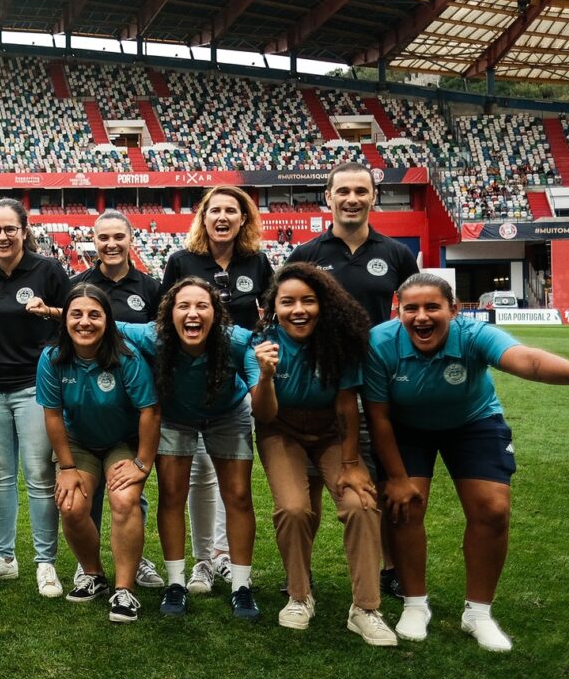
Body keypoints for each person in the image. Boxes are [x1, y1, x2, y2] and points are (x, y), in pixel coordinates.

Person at [363, 273, 569, 651]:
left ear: (454, 310)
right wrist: (396, 477)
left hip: (473, 422)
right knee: (405, 506)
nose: (421, 316)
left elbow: (526, 360)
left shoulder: (473, 334)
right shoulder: (380, 342)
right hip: (406, 427)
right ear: (399, 311)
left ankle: (477, 613)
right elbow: (378, 416)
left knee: (493, 510)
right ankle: (415, 604)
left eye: (433, 307)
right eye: (411, 308)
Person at [288, 161, 420, 600]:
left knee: (374, 481)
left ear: (373, 198)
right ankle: (300, 583)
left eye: (360, 191)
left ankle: (387, 569)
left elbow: (416, 308)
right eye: (342, 190)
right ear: (328, 197)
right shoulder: (306, 254)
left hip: (378, 387)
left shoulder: (397, 254)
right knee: (307, 489)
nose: (351, 199)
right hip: (319, 387)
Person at [249, 263, 396, 645]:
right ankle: (299, 596)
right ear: (273, 308)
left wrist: (351, 465)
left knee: (361, 504)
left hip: (331, 431)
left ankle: (365, 608)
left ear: (323, 304)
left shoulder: (338, 341)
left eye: (308, 301)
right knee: (294, 508)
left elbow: (348, 406)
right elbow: (263, 414)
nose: (299, 310)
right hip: (280, 428)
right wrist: (265, 375)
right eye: (288, 302)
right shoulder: (262, 344)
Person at [121, 278, 263, 620]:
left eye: (202, 305)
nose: (192, 313)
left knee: (239, 496)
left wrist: (266, 377)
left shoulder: (238, 341)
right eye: (183, 306)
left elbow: (259, 392)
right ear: (169, 315)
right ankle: (175, 583)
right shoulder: (154, 337)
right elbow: (105, 321)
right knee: (172, 493)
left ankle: (241, 587)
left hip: (229, 414)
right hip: (176, 417)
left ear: (216, 313)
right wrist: (52, 311)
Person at [160, 185, 272, 597]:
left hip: (233, 382)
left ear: (244, 219)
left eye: (231, 210)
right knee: (199, 477)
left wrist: (254, 353)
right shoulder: (182, 261)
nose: (222, 217)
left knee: (233, 481)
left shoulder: (256, 261)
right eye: (215, 210)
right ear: (203, 217)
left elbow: (270, 312)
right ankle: (203, 560)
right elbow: (164, 316)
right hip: (189, 380)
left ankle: (224, 557)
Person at [38, 284, 160, 623]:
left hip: (121, 441)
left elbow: (150, 411)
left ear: (107, 320)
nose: (85, 322)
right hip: (79, 443)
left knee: (124, 500)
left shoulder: (128, 357)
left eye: (94, 314)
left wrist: (142, 463)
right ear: (65, 320)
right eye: (76, 314)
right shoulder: (51, 358)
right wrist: (66, 466)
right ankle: (94, 575)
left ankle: (125, 590)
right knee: (72, 505)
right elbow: (52, 415)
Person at [0, 197, 72, 597]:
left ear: (24, 231)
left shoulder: (47, 269)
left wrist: (49, 312)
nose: (2, 236)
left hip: (35, 387)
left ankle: (45, 563)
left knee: (40, 477)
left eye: (10, 228)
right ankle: (3, 557)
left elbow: (77, 312)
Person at [67, 209, 164, 591]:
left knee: (128, 492)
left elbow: (160, 341)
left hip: (132, 406)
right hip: (87, 405)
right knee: (82, 497)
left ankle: (134, 559)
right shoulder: (79, 283)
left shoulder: (150, 287)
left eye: (117, 237)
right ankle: (86, 565)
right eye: (103, 238)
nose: (110, 244)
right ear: (94, 240)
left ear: (130, 239)